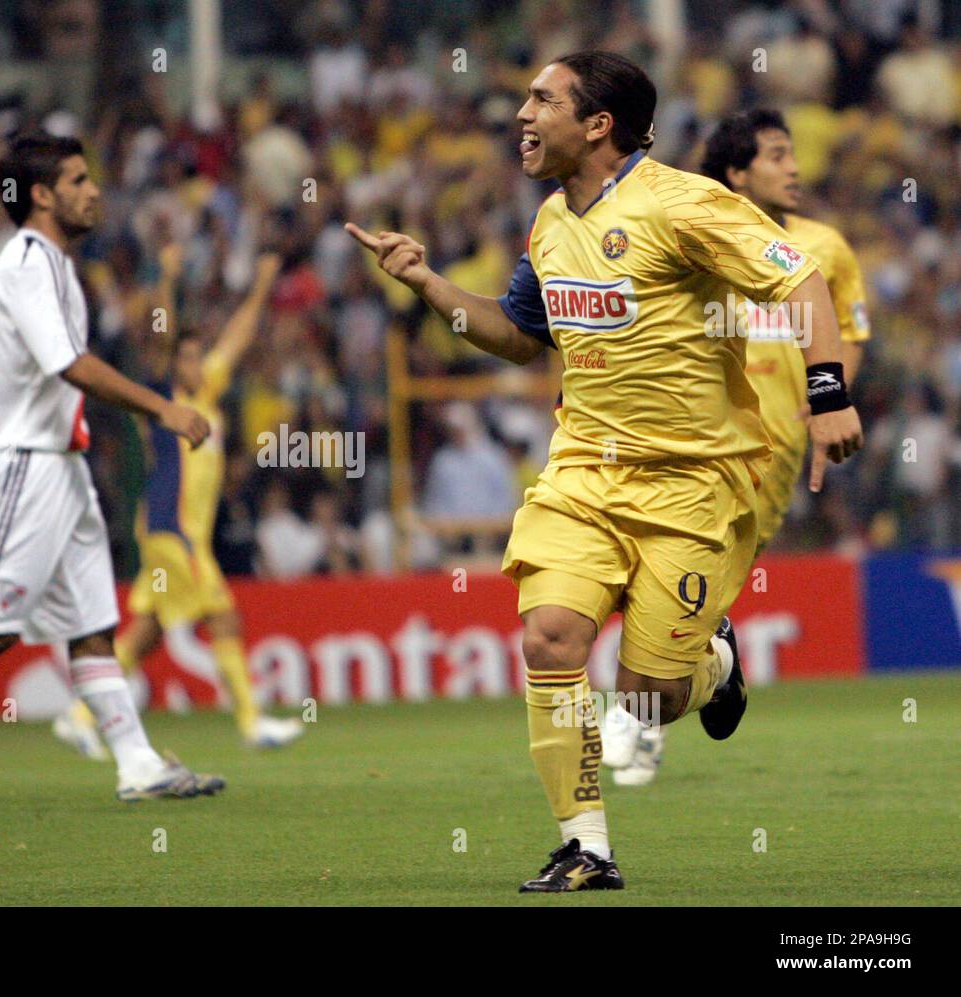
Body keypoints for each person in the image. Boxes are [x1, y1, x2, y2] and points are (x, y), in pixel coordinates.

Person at [347, 51, 862, 891]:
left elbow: (799, 280)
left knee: (651, 696)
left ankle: (717, 665)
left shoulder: (683, 202)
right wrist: (427, 283)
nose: (521, 113)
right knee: (550, 635)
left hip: (692, 481)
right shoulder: (550, 221)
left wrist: (827, 388)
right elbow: (518, 334)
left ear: (596, 125)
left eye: (541, 99)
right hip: (583, 470)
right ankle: (586, 846)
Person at [0, 133, 224, 810]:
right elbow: (70, 365)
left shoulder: (54, 266)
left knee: (91, 626)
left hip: (61, 466)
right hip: (27, 467)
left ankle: (137, 761)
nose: (95, 190)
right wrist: (159, 409)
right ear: (43, 194)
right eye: (79, 179)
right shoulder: (26, 263)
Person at [602, 108, 873, 785]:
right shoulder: (696, 237)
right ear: (735, 172)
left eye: (793, 153)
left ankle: (671, 697)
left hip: (771, 450)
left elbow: (849, 334)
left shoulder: (825, 248)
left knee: (677, 595)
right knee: (645, 579)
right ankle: (693, 675)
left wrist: (826, 405)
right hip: (689, 442)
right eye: (777, 155)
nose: (795, 166)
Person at [54, 247, 304, 754]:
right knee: (223, 618)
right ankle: (252, 724)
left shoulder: (206, 394)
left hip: (176, 536)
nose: (196, 363)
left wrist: (261, 285)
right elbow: (161, 336)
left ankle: (80, 716)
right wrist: (167, 277)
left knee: (147, 634)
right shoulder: (166, 402)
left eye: (197, 356)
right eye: (186, 358)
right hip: (173, 532)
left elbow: (236, 339)